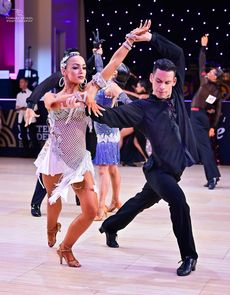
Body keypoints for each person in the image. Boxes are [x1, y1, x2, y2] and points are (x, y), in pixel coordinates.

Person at [32, 20, 151, 268]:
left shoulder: (91, 88)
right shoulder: (52, 95)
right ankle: (52, 228)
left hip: (78, 158)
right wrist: (79, 98)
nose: (81, 71)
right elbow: (53, 104)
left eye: (84, 67)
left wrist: (130, 39)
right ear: (64, 71)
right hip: (54, 156)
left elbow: (114, 64)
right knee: (53, 204)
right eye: (75, 67)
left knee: (89, 209)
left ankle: (66, 248)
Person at [90, 29, 199, 276]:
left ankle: (110, 225)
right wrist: (88, 106)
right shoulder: (142, 108)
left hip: (174, 168)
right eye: (158, 81)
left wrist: (150, 38)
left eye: (167, 82)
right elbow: (111, 116)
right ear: (151, 78)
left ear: (174, 81)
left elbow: (178, 53)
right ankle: (189, 256)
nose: (162, 86)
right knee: (179, 203)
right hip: (159, 171)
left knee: (141, 202)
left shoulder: (177, 93)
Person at [28, 46, 104, 216]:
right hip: (62, 128)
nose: (80, 69)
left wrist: (96, 54)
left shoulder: (83, 74)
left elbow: (96, 72)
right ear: (65, 66)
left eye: (81, 64)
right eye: (74, 63)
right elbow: (42, 87)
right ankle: (36, 203)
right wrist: (30, 104)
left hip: (83, 128)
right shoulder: (60, 76)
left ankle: (80, 198)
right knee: (48, 169)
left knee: (84, 162)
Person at [93, 63, 131, 220]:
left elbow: (126, 102)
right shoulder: (106, 82)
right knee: (113, 168)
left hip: (106, 133)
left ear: (115, 73)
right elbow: (99, 68)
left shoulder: (112, 87)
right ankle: (116, 200)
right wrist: (97, 53)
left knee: (103, 170)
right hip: (108, 131)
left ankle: (101, 207)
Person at [190, 35, 222, 190]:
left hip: (199, 117)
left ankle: (212, 178)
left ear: (216, 78)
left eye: (213, 72)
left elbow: (217, 111)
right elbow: (212, 108)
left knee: (204, 148)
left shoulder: (211, 87)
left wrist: (203, 47)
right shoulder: (209, 85)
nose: (209, 72)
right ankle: (214, 175)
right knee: (204, 147)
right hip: (199, 116)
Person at [15, 78, 39, 157]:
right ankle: (26, 154)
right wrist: (22, 108)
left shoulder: (31, 93)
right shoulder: (18, 95)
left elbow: (35, 107)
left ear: (26, 83)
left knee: (33, 136)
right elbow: (17, 108)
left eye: (21, 82)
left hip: (30, 118)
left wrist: (25, 108)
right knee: (23, 136)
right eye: (19, 82)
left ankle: (36, 154)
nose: (20, 84)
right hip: (21, 118)